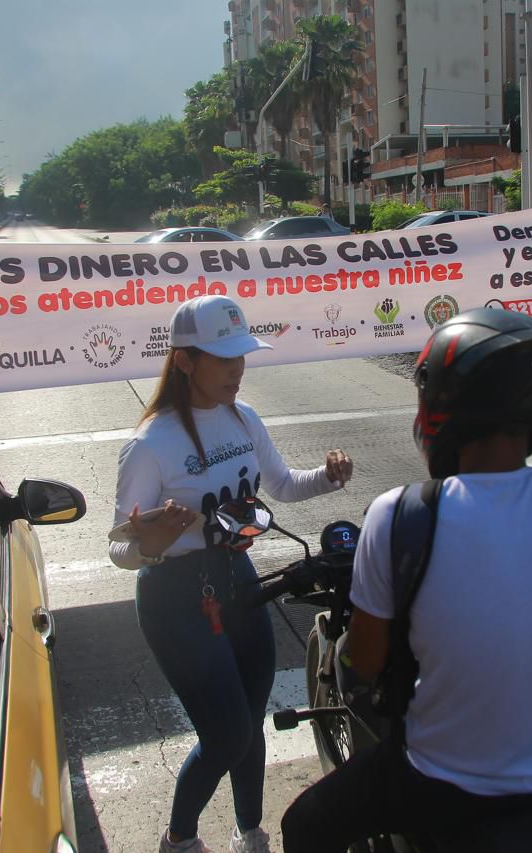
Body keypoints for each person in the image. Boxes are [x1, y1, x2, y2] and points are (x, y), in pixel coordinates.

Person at [281, 308, 532, 852]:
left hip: (444, 779)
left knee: (306, 827)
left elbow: (364, 661)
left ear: (442, 403)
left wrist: (344, 650)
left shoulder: (407, 514)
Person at [109, 294, 353, 853]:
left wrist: (330, 475)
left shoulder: (244, 417)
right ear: (186, 360)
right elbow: (121, 551)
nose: (238, 369)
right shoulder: (150, 445)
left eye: (242, 355)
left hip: (238, 581)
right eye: (224, 358)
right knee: (226, 736)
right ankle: (181, 838)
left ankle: (251, 832)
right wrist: (151, 545)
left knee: (250, 720)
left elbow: (285, 485)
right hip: (175, 597)